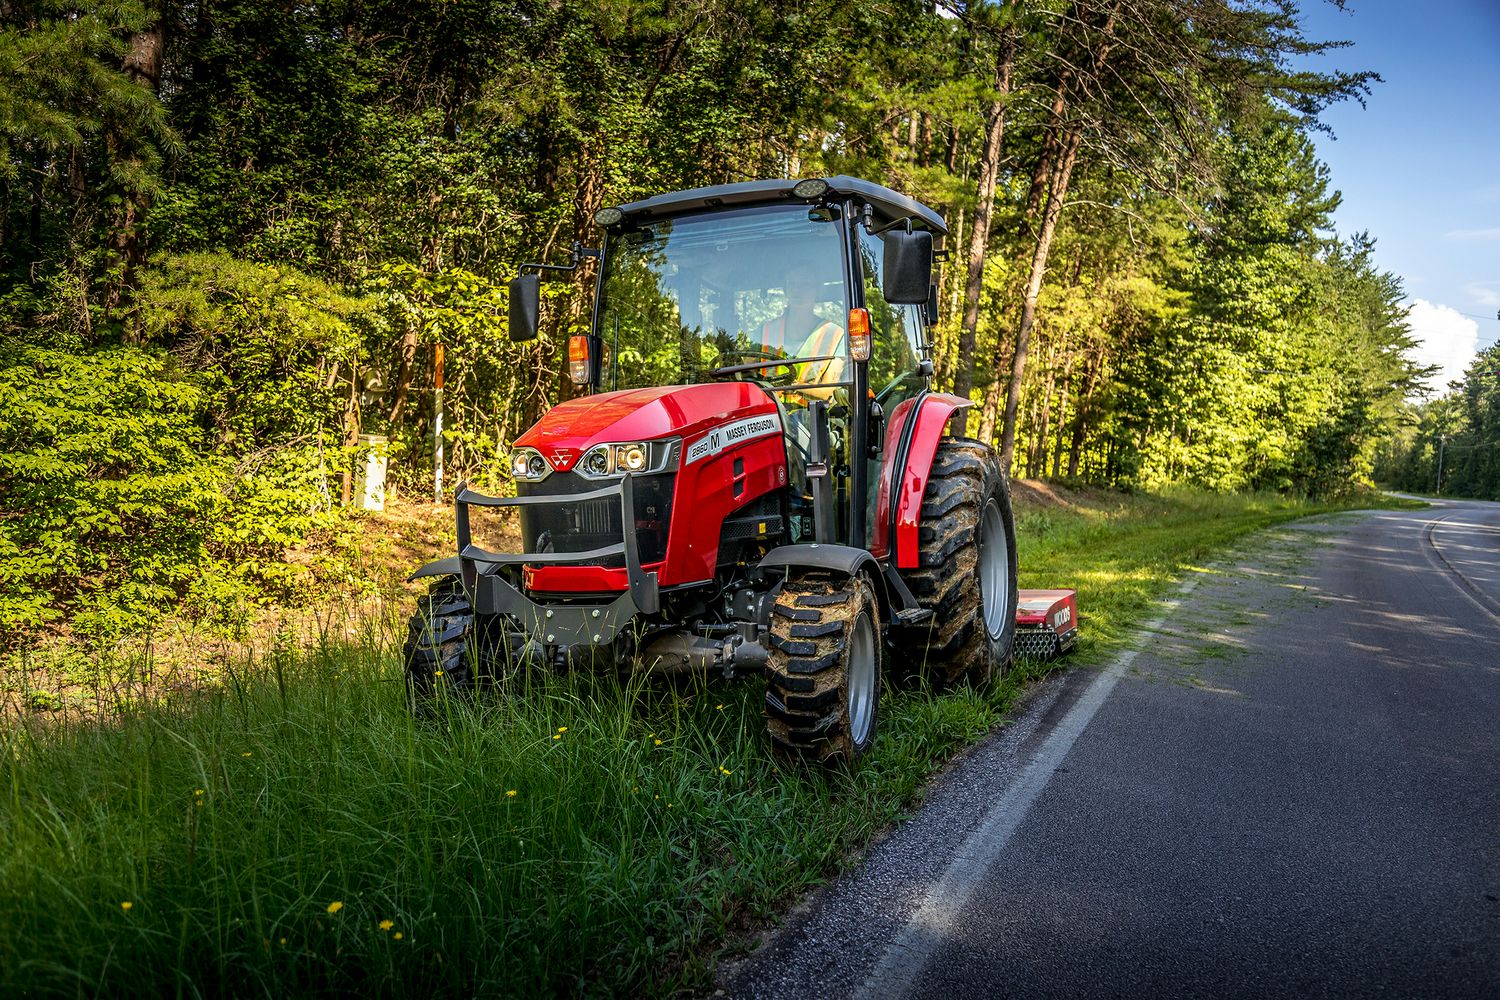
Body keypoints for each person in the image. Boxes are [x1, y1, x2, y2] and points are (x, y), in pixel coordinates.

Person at [762, 271, 847, 393]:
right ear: (785, 290)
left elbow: (827, 391)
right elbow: (747, 378)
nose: (797, 290)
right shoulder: (763, 332)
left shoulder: (834, 335)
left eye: (805, 284)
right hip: (764, 406)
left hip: (814, 406)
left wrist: (791, 386)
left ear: (817, 291)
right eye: (792, 284)